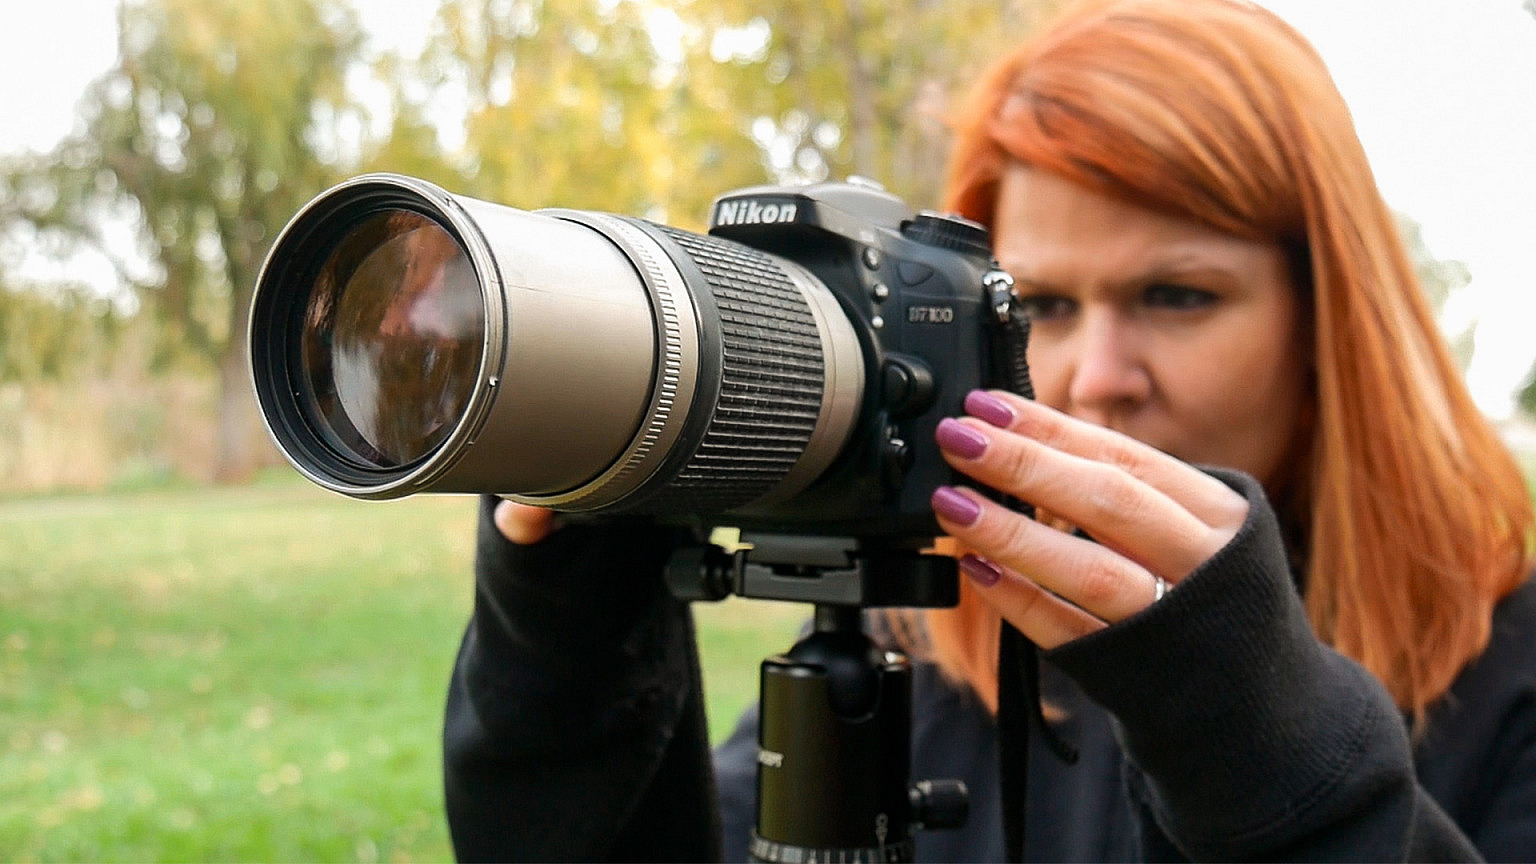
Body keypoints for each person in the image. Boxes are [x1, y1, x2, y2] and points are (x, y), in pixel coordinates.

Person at [441, 0, 1536, 859]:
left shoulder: (1508, 669)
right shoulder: (925, 646)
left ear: (1327, 323)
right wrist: (565, 648)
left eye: (1177, 296)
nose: (1096, 379)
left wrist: (1275, 757)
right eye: (1040, 307)